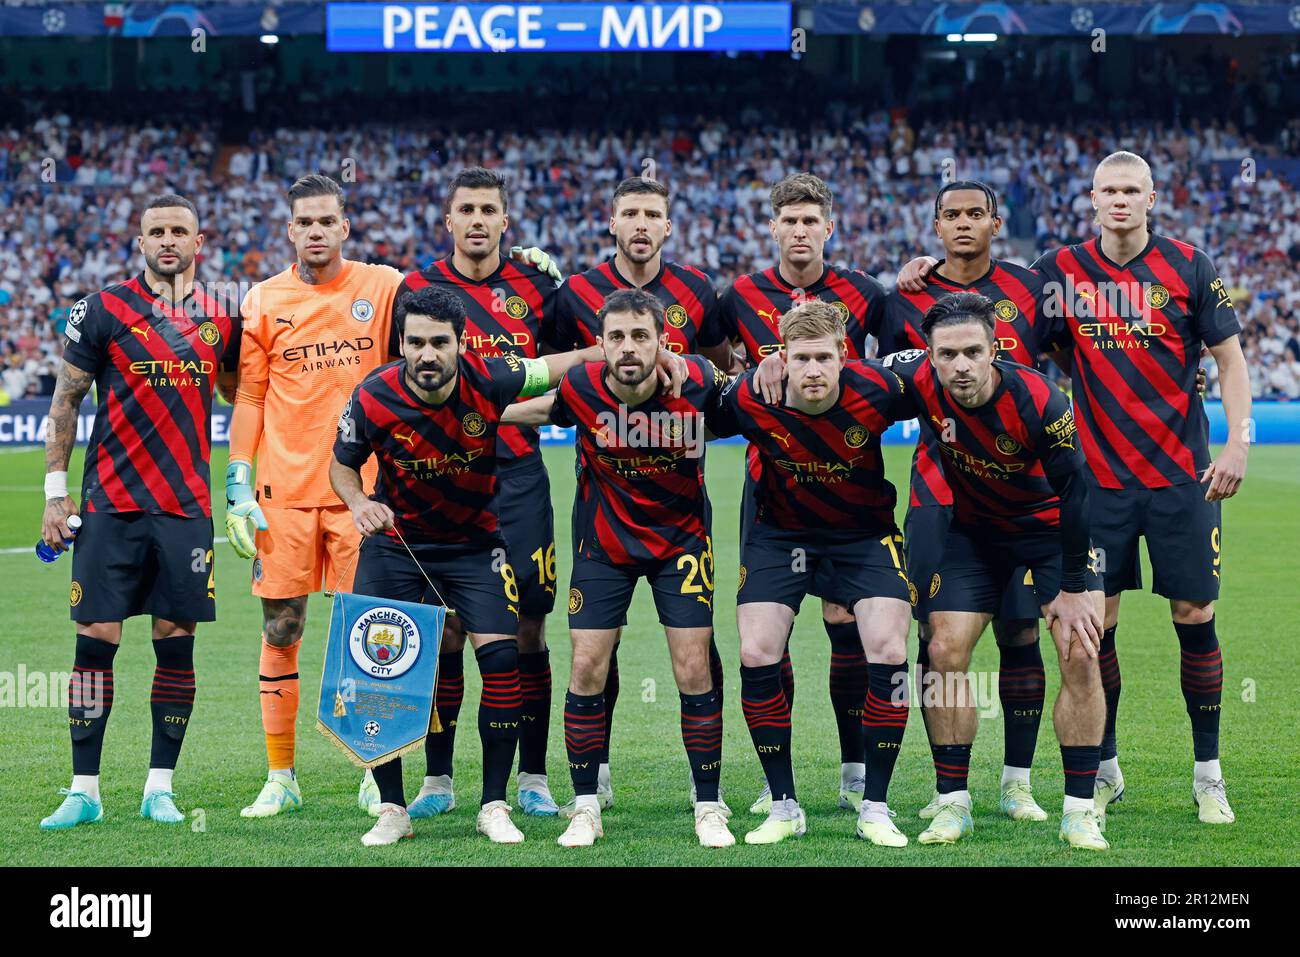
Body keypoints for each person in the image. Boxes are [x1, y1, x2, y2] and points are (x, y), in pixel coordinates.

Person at [330, 285, 684, 846]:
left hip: (475, 545)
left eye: (439, 343)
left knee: (501, 660)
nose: (427, 355)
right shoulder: (372, 396)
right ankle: (392, 809)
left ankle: (494, 804)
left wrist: (660, 354)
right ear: (401, 343)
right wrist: (358, 502)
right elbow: (343, 464)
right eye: (416, 342)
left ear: (460, 345)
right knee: (380, 670)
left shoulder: (490, 378)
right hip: (399, 545)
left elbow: (563, 362)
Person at [38, 194, 239, 829]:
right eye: (157, 231)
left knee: (175, 645)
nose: (169, 240)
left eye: (180, 230)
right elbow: (66, 400)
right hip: (109, 506)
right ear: (141, 239)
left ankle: (160, 788)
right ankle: (84, 790)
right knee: (95, 642)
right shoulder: (102, 310)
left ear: (199, 242)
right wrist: (53, 491)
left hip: (185, 510)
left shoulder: (222, 317)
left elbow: (243, 391)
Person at [883, 292, 1109, 850]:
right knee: (943, 651)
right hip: (972, 532)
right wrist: (778, 362)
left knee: (1080, 649)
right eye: (947, 354)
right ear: (928, 356)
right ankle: (953, 804)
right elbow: (844, 373)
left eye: (972, 352)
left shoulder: (1042, 400)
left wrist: (1075, 587)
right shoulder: (916, 379)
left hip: (1050, 532)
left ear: (995, 350)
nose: (960, 365)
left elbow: (1078, 493)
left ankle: (1079, 810)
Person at [514, 289, 735, 848]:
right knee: (586, 665)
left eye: (641, 336)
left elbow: (734, 381)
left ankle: (708, 805)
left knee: (693, 668)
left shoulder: (697, 384)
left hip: (680, 545)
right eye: (616, 337)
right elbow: (532, 408)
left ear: (663, 341)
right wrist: (460, 407)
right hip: (602, 546)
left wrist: (698, 364)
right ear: (600, 343)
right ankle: (586, 805)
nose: (628, 347)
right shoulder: (581, 388)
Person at [552, 175, 738, 814]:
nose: (639, 223)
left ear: (668, 225)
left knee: (695, 654)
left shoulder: (696, 291)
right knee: (593, 653)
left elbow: (721, 373)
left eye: (651, 213)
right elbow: (554, 378)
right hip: (599, 506)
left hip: (682, 511)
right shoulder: (574, 293)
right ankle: (591, 776)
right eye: (628, 212)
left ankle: (705, 787)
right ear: (611, 221)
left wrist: (699, 374)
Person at [707, 300, 911, 848]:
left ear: (844, 355)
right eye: (802, 359)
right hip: (781, 535)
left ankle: (874, 805)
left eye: (824, 357)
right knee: (756, 651)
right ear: (784, 359)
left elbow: (940, 367)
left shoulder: (882, 388)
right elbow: (693, 398)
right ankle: (783, 804)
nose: (814, 370)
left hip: (864, 534)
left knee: (889, 651)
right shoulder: (753, 396)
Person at [395, 167, 566, 818]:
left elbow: (561, 387)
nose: (475, 219)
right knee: (445, 630)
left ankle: (534, 774)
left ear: (504, 220)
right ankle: (438, 776)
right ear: (448, 220)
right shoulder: (417, 288)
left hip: (518, 479)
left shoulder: (538, 286)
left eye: (487, 209)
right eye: (464, 208)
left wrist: (490, 415)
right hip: (441, 479)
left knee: (527, 627)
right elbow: (400, 381)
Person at [718, 172, 888, 816]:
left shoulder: (866, 295)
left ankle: (851, 769)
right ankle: (775, 782)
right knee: (768, 637)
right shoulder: (740, 295)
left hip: (849, 490)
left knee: (847, 625)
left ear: (829, 227)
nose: (799, 231)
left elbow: (901, 364)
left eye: (810, 221)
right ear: (772, 228)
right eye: (788, 221)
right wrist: (745, 369)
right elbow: (717, 367)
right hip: (769, 493)